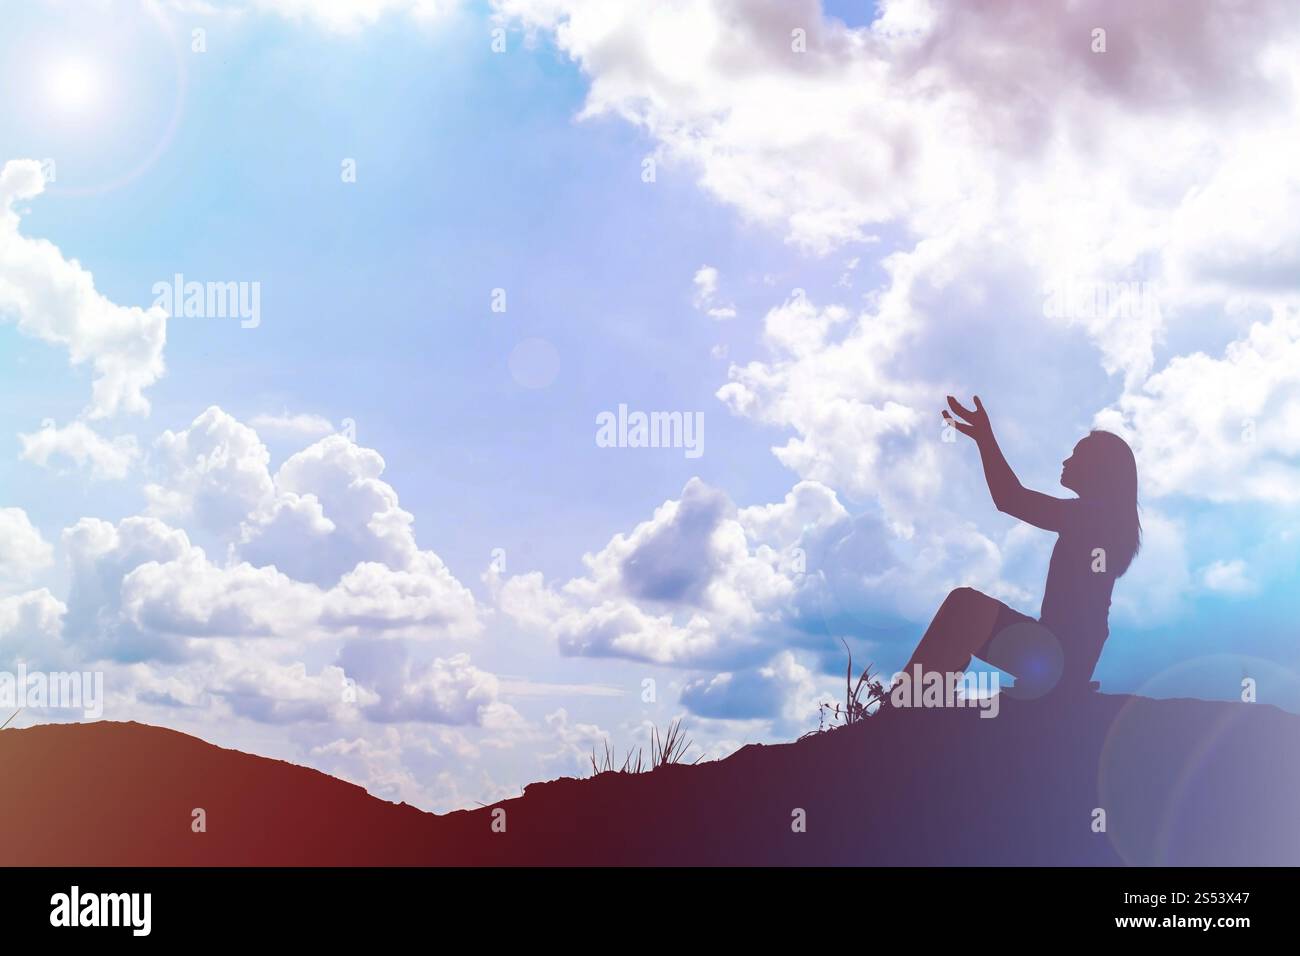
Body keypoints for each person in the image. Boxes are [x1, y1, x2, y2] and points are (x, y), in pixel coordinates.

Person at [901, 395, 1141, 697]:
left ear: (1099, 469)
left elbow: (1009, 498)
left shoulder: (1092, 517)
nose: (1066, 461)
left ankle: (910, 704)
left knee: (965, 608)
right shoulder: (1103, 520)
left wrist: (984, 438)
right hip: (1063, 656)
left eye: (1077, 456)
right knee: (967, 609)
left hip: (1059, 658)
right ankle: (916, 702)